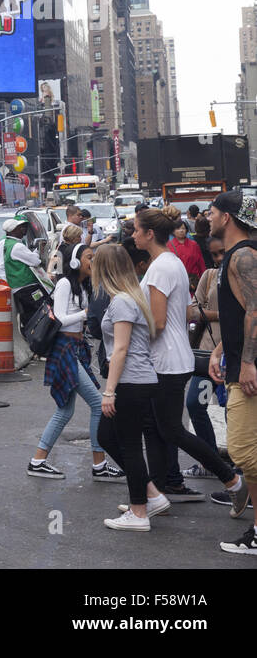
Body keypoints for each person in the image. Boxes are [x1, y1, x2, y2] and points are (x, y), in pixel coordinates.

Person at [134, 208, 244, 509]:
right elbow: (183, 313)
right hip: (170, 357)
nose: (132, 235)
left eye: (136, 230)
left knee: (170, 430)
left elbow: (157, 323)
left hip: (164, 360)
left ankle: (231, 480)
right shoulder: (172, 263)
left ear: (149, 234)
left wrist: (129, 338)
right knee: (156, 429)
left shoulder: (159, 268)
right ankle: (152, 496)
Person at [26, 243, 124, 482]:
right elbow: (59, 318)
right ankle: (98, 464)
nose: (93, 261)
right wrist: (86, 313)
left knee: (65, 410)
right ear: (75, 261)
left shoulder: (83, 285)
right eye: (89, 257)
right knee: (98, 404)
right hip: (64, 349)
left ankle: (38, 461)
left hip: (76, 348)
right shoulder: (64, 284)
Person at [91, 244, 170, 530]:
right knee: (109, 437)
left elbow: (121, 349)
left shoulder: (122, 301)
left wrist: (109, 391)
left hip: (130, 382)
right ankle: (150, 495)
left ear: (105, 269)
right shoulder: (131, 297)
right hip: (139, 379)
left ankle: (139, 512)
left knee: (129, 446)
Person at [206, 192, 257, 553]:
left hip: (249, 371)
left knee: (242, 451)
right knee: (249, 455)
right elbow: (240, 314)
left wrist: (249, 362)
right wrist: (222, 349)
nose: (208, 217)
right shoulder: (237, 257)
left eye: (211, 212)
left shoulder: (243, 256)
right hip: (239, 363)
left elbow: (256, 310)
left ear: (227, 217)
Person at [182, 236, 226, 474]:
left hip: (239, 356)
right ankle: (210, 462)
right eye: (215, 255)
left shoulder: (247, 272)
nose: (219, 259)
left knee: (233, 410)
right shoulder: (209, 275)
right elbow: (194, 311)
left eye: (223, 253)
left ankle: (240, 466)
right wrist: (223, 314)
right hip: (209, 355)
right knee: (195, 404)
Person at [0, 215, 51, 326]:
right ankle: (38, 333)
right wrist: (38, 252)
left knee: (28, 313)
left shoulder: (5, 243)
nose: (24, 230)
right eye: (21, 227)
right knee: (43, 307)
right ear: (13, 230)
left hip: (17, 286)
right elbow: (35, 261)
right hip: (26, 286)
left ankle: (30, 333)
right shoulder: (17, 246)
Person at [168, 220, 206, 288]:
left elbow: (200, 262)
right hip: (176, 281)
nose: (181, 231)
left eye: (183, 228)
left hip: (193, 281)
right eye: (178, 228)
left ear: (186, 230)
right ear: (173, 231)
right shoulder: (169, 246)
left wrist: (203, 278)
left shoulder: (194, 244)